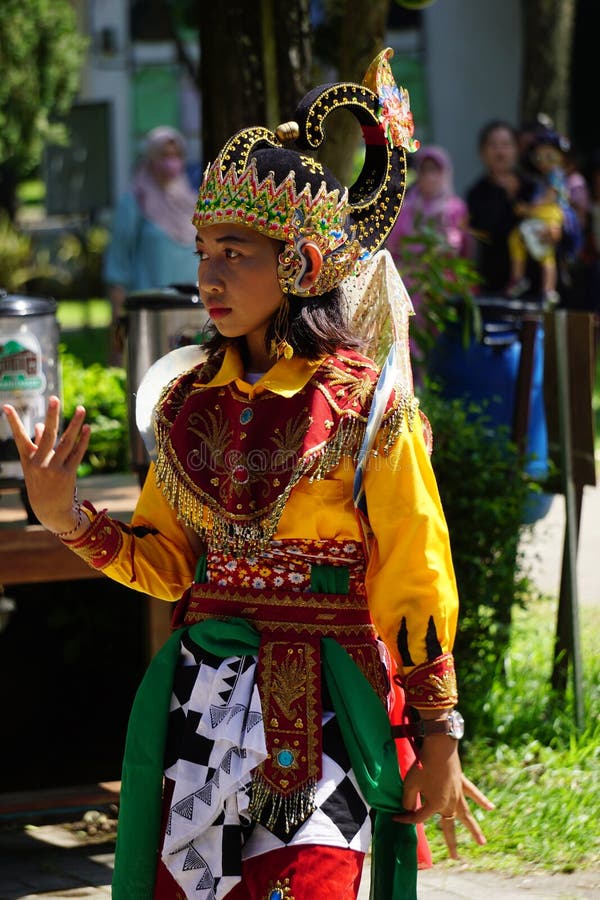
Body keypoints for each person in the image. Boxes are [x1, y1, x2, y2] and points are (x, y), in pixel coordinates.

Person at [4, 49, 492, 900]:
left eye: (236, 252)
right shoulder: (188, 402)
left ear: (300, 263)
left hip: (327, 709)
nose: (209, 275)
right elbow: (166, 562)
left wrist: (440, 731)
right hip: (201, 705)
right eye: (202, 250)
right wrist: (65, 517)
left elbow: (416, 573)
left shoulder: (368, 406)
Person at [103, 125, 199, 362]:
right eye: (164, 156)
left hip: (193, 316)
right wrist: (118, 319)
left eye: (177, 156)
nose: (171, 162)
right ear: (151, 158)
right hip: (151, 315)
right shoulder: (135, 200)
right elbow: (118, 264)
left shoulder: (192, 200)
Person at [465, 119, 537, 295]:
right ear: (482, 152)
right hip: (493, 283)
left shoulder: (532, 188)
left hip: (534, 281)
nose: (500, 152)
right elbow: (484, 232)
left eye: (506, 145)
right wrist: (502, 194)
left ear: (516, 150)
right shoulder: (476, 193)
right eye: (493, 145)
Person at [506, 129, 571, 306]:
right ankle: (521, 279)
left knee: (544, 252)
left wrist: (529, 209)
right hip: (543, 214)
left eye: (549, 157)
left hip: (550, 214)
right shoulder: (538, 179)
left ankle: (548, 289)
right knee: (518, 240)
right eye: (539, 158)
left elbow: (551, 196)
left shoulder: (556, 176)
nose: (543, 162)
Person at [387, 144, 470, 262]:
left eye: (434, 170)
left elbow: (466, 250)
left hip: (445, 277)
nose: (429, 177)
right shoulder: (406, 207)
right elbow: (393, 248)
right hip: (411, 276)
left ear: (445, 173)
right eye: (424, 170)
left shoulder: (456, 208)